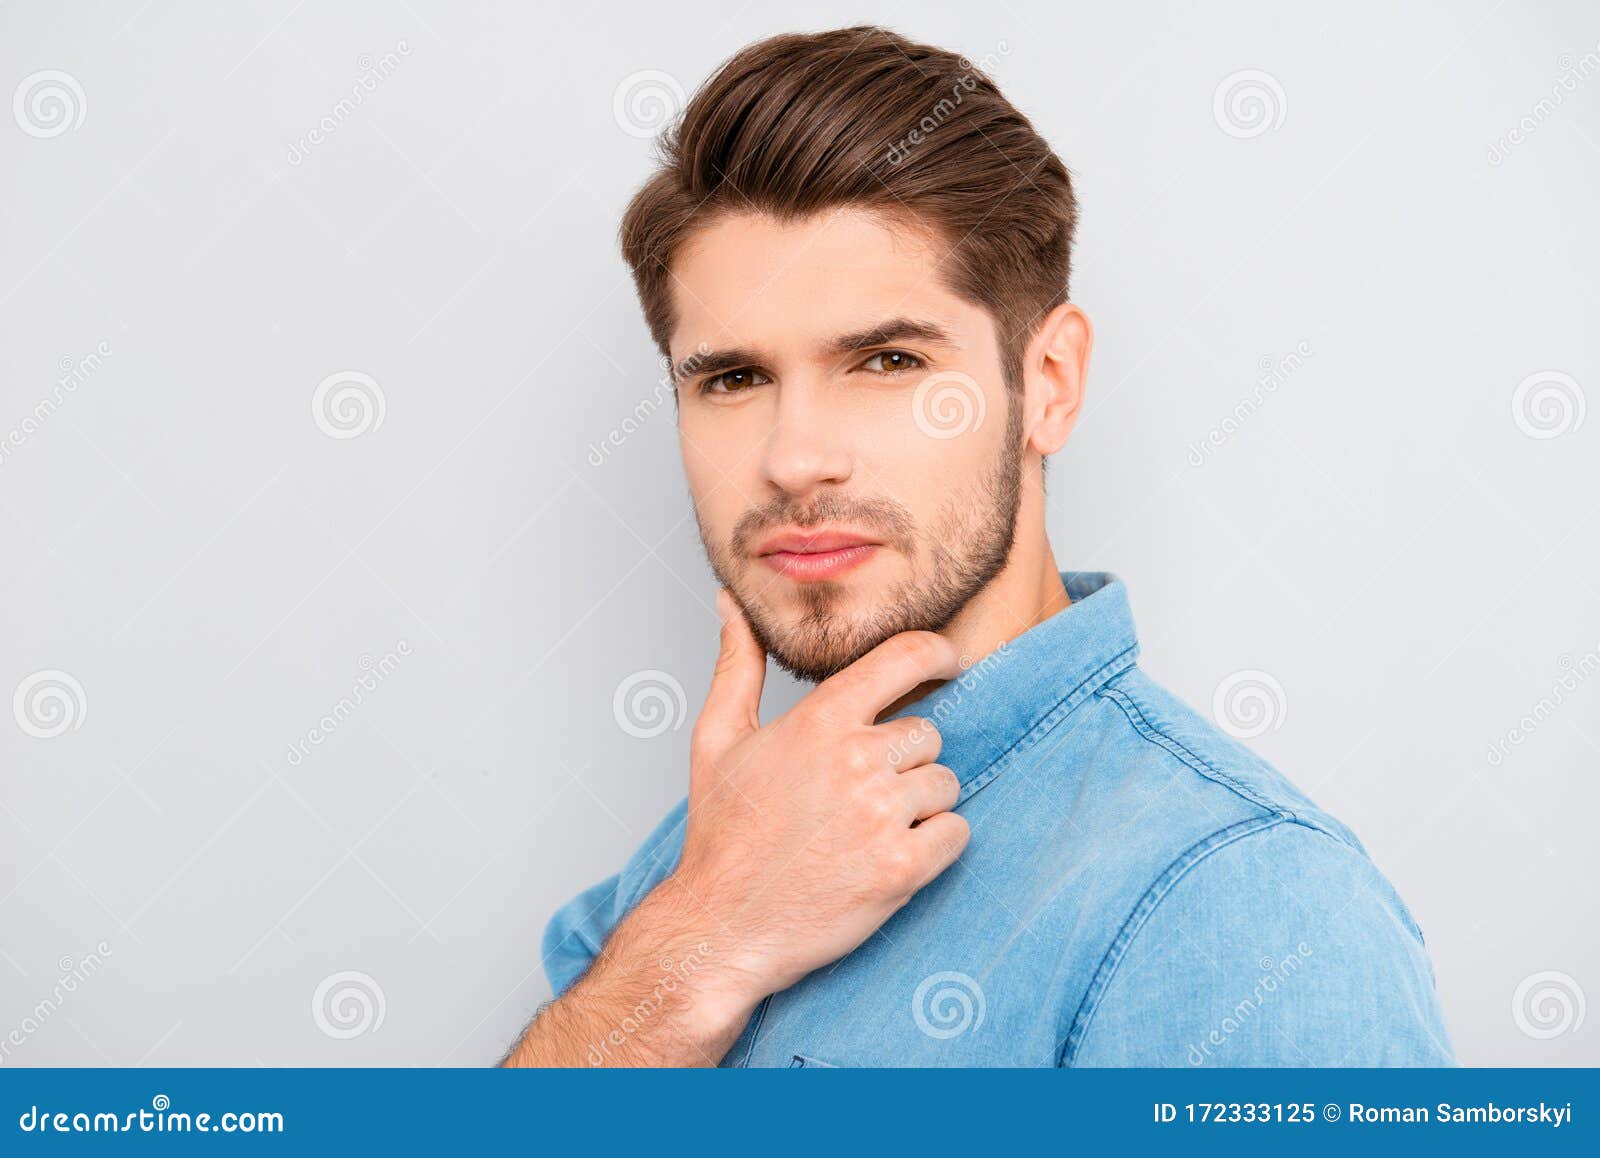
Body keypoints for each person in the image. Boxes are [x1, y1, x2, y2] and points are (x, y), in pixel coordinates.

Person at [501, 25, 1452, 1067]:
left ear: (1047, 384)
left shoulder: (1248, 909)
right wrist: (694, 947)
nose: (793, 459)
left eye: (886, 360)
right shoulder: (704, 861)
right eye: (732, 379)